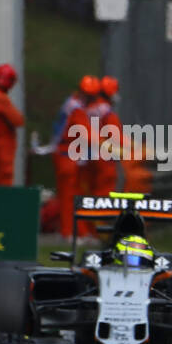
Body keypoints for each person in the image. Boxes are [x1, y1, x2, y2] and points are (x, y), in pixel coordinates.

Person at [55, 75, 101, 239]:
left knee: (76, 195)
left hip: (70, 154)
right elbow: (86, 133)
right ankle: (68, 233)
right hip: (66, 154)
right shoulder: (76, 109)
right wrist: (106, 144)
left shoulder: (72, 104)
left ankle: (79, 232)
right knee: (69, 196)